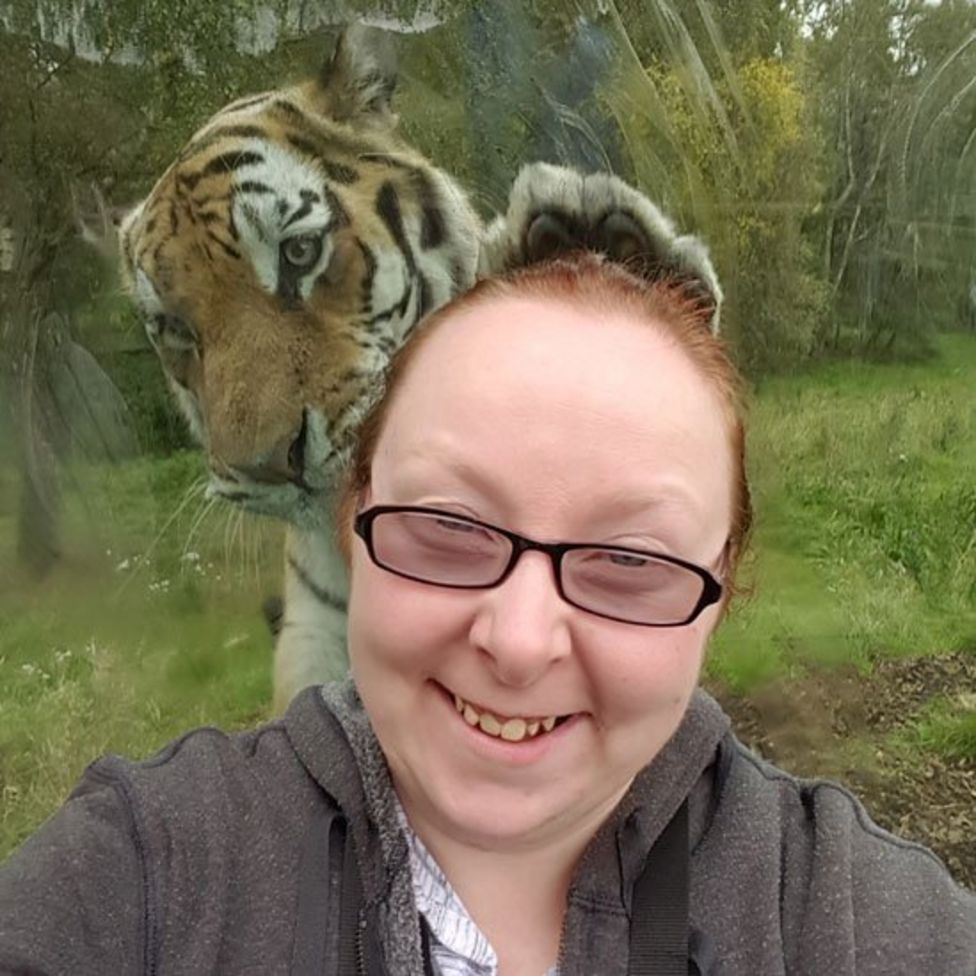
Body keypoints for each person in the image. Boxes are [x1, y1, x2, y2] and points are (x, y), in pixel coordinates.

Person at [1, 253, 974, 976]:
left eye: (629, 561)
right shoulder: (149, 876)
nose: (517, 642)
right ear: (353, 525)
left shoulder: (847, 919)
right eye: (446, 527)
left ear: (718, 590)